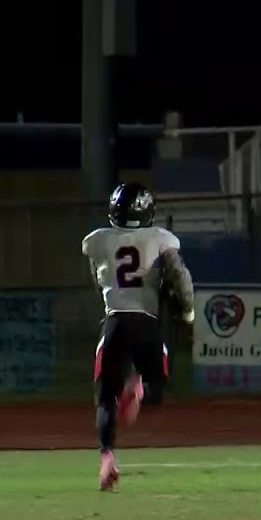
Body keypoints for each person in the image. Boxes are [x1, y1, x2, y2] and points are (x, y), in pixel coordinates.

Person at [81, 182, 195, 491]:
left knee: (105, 398)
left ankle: (107, 458)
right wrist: (187, 310)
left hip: (115, 321)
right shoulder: (160, 239)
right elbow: (179, 274)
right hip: (146, 321)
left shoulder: (98, 241)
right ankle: (140, 386)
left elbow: (98, 278)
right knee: (158, 380)